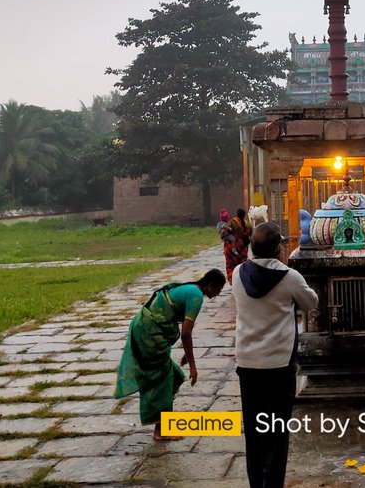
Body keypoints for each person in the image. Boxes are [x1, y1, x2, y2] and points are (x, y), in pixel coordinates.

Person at [234, 222, 318, 488]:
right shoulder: (290, 277)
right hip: (279, 365)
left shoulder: (237, 274)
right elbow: (311, 302)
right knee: (277, 431)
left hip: (247, 363)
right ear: (279, 249)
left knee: (254, 431)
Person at [115, 268, 226, 441]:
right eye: (218, 290)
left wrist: (186, 353)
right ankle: (161, 431)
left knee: (172, 377)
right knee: (163, 380)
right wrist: (193, 367)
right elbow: (186, 334)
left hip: (144, 329)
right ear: (211, 286)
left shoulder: (190, 289)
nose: (217, 294)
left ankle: (162, 426)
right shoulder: (196, 296)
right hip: (149, 335)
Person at [223, 207, 251, 283]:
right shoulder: (247, 224)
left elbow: (223, 233)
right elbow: (250, 234)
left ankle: (233, 281)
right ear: (244, 215)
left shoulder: (232, 222)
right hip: (243, 247)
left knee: (231, 265)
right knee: (242, 265)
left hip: (232, 248)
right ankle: (243, 280)